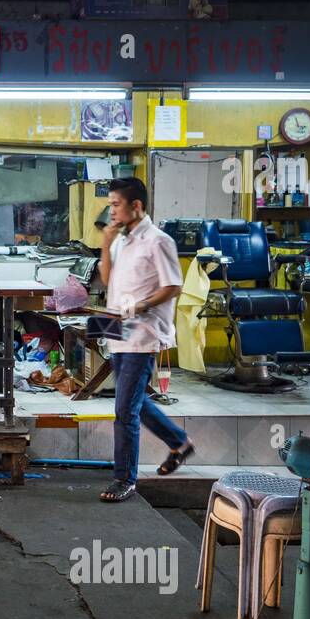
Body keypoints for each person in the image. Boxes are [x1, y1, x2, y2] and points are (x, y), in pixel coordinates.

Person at [97, 177, 194, 503]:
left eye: (115, 204)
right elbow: (108, 281)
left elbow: (173, 285)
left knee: (124, 409)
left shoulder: (158, 241)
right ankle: (180, 443)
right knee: (134, 401)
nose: (111, 210)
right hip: (117, 330)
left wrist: (141, 305)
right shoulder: (122, 240)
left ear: (135, 206)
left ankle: (124, 478)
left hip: (144, 333)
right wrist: (106, 243)